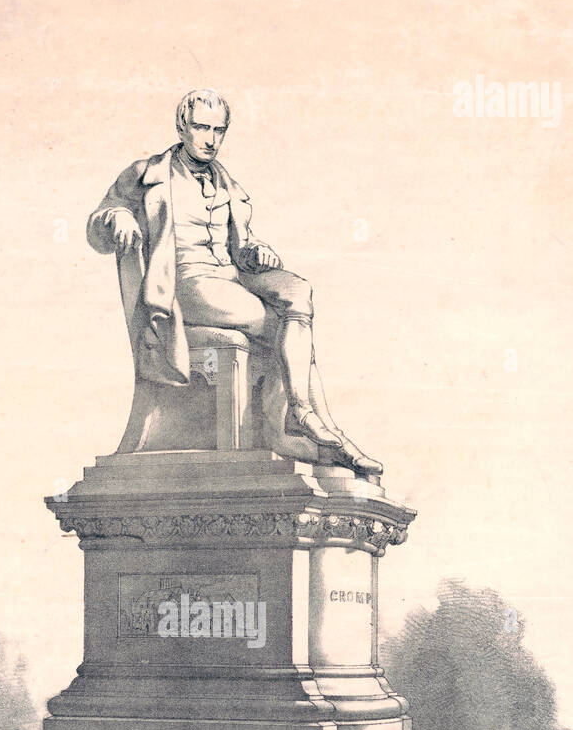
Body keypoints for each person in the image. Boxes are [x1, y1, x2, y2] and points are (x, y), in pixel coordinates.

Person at [87, 89, 382, 477]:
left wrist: (258, 251)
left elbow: (241, 246)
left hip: (230, 279)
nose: (210, 138)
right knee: (282, 329)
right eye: (201, 128)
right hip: (186, 286)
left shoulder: (228, 184)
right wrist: (117, 218)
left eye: (218, 130)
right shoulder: (147, 173)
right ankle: (298, 423)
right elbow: (99, 222)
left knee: (299, 293)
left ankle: (303, 419)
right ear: (182, 126)